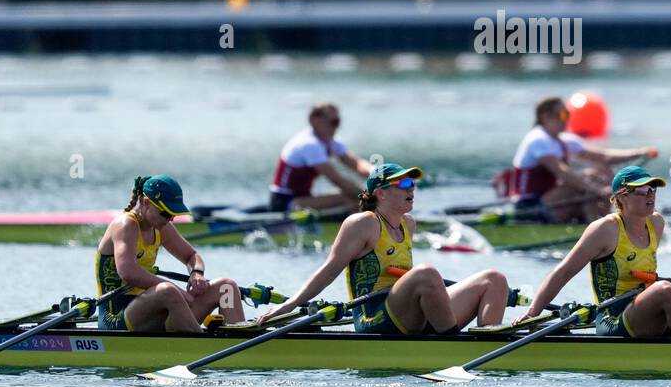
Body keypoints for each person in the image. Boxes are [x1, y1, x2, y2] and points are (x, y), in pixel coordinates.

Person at [258, 163, 509, 334]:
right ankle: (452, 348)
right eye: (402, 184)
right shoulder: (363, 223)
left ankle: (485, 343)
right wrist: (289, 305)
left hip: (408, 311)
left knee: (494, 279)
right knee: (426, 274)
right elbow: (329, 270)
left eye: (412, 183)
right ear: (381, 193)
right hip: (374, 317)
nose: (411, 188)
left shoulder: (408, 223)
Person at [515, 166, 671, 337]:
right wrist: (533, 313)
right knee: (664, 290)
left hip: (652, 311)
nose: (651, 195)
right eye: (643, 190)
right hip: (615, 319)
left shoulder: (656, 223)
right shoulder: (605, 229)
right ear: (622, 197)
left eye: (653, 190)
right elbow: (563, 271)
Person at [95, 175, 245, 332]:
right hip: (117, 318)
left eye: (173, 214)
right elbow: (128, 271)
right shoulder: (125, 225)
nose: (171, 219)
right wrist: (177, 290)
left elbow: (191, 256)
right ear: (146, 202)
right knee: (168, 291)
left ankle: (239, 346)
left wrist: (196, 273)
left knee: (226, 287)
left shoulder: (160, 227)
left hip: (154, 310)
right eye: (166, 213)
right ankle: (202, 344)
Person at [507, 96, 658, 223]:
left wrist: (640, 153)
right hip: (530, 208)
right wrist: (598, 190)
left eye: (568, 115)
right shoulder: (537, 139)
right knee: (590, 179)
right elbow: (563, 172)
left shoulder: (564, 141)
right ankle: (598, 230)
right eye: (563, 115)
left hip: (554, 202)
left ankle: (599, 224)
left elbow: (605, 156)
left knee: (602, 173)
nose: (567, 119)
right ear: (546, 117)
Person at [269, 102, 373, 214]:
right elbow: (338, 180)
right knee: (349, 197)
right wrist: (371, 199)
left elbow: (357, 164)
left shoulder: (330, 141)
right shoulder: (309, 144)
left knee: (350, 194)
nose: (336, 127)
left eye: (338, 122)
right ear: (316, 121)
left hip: (303, 198)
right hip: (284, 202)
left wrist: (379, 174)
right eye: (333, 122)